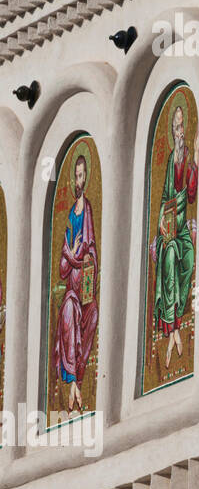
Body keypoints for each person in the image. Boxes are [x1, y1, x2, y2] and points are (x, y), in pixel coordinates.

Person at [153, 103, 197, 370]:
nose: (179, 132)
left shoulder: (188, 157)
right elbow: (164, 198)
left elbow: (190, 195)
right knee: (169, 256)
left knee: (189, 260)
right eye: (175, 128)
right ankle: (172, 326)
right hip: (169, 232)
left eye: (182, 127)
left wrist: (196, 162)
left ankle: (177, 318)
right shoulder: (171, 160)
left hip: (181, 231)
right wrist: (160, 220)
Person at [55, 154, 98, 414]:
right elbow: (61, 268)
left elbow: (91, 247)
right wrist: (70, 255)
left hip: (86, 287)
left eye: (82, 175)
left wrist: (80, 257)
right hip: (72, 291)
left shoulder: (88, 209)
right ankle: (72, 381)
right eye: (77, 176)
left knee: (92, 317)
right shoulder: (71, 215)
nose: (79, 180)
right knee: (69, 310)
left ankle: (78, 379)